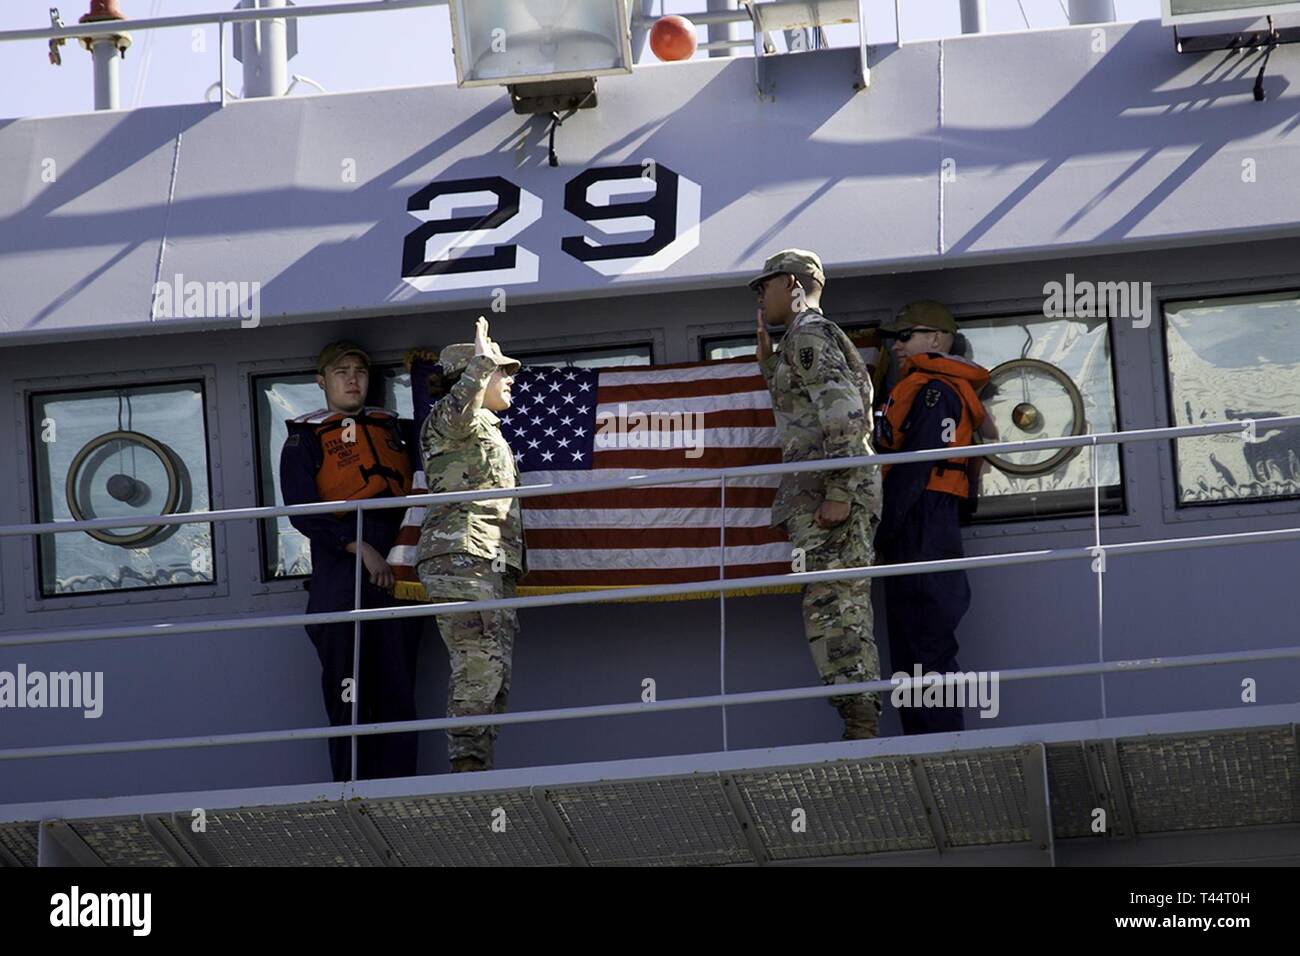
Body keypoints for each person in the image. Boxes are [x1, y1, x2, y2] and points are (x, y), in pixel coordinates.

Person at [751, 249, 884, 740]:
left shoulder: (808, 335)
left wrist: (840, 492)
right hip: (821, 495)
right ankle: (858, 720)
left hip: (829, 499)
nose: (760, 299)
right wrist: (770, 367)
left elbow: (844, 415)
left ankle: (861, 726)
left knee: (836, 608)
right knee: (831, 604)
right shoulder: (801, 340)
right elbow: (808, 412)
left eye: (763, 287)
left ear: (790, 283)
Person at [279, 340, 421, 780]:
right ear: (322, 382)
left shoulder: (399, 431)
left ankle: (401, 792)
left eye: (359, 370)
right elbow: (301, 510)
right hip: (340, 576)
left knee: (398, 690)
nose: (353, 379)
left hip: (397, 570)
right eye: (341, 372)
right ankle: (352, 793)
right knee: (348, 693)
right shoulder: (303, 440)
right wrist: (357, 546)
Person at [874, 300, 990, 735]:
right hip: (919, 522)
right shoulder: (921, 386)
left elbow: (916, 469)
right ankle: (921, 748)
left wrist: (883, 532)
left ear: (937, 339)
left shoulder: (934, 392)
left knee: (927, 645)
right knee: (909, 650)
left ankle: (942, 751)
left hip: (923, 522)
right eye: (894, 338)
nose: (897, 345)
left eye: (906, 336)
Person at [416, 316, 525, 773]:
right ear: (473, 376)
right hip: (463, 555)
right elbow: (460, 408)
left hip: (487, 560)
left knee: (493, 669)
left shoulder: (485, 425)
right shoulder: (450, 419)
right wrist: (482, 363)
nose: (510, 378)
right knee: (477, 662)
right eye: (503, 370)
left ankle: (480, 765)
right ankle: (467, 769)